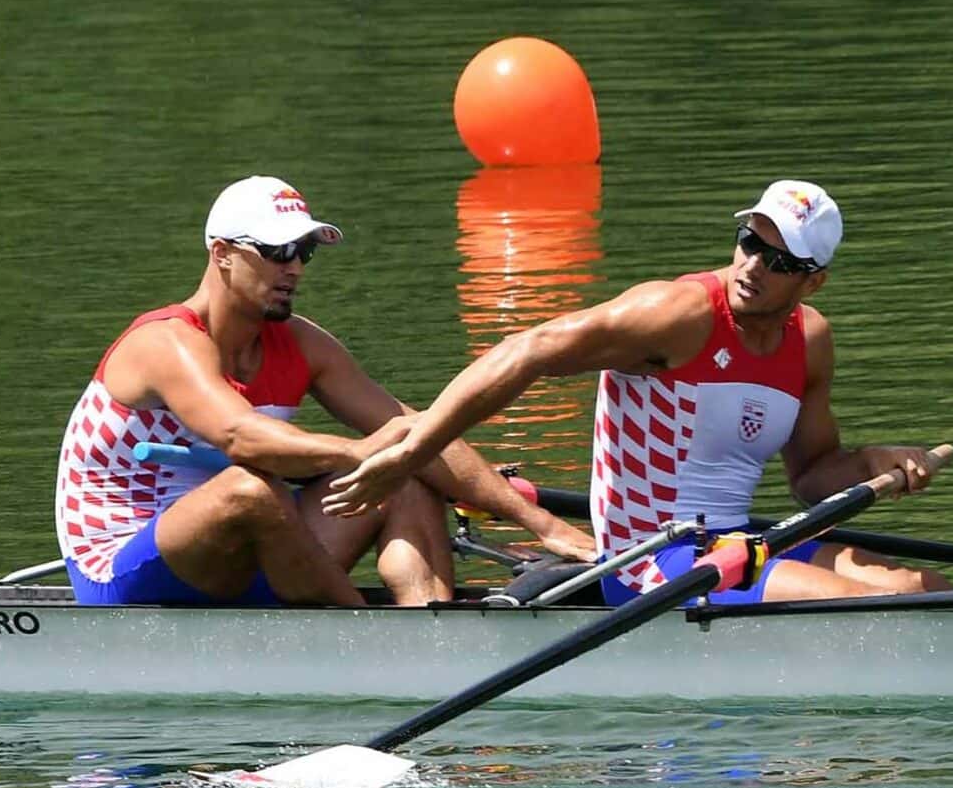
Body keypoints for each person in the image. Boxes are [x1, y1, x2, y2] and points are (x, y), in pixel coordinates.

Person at [323, 178, 948, 606]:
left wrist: (870, 462)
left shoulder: (809, 341)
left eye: (780, 261)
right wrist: (412, 454)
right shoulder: (676, 315)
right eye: (751, 242)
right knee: (870, 607)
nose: (754, 266)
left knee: (923, 592)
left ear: (812, 283)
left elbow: (811, 478)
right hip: (648, 559)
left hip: (737, 546)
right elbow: (526, 351)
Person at [54, 175, 592, 608]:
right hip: (122, 567)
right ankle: (359, 632)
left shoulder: (303, 344)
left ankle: (429, 629)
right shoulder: (164, 343)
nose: (293, 268)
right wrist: (362, 453)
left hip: (248, 553)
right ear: (222, 254)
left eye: (304, 253)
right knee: (251, 488)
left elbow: (419, 430)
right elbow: (242, 436)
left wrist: (543, 526)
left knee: (408, 470)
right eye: (277, 250)